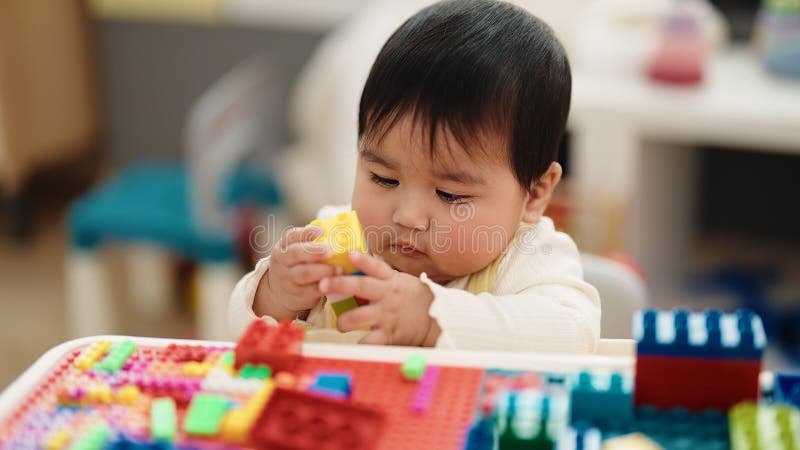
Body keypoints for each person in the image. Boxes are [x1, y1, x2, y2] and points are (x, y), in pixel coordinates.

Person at [229, 0, 600, 352]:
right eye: (383, 178)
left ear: (533, 194)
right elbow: (241, 333)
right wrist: (276, 295)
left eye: (449, 194)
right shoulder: (341, 242)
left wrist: (431, 318)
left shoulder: (526, 257)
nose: (407, 216)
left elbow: (574, 332)